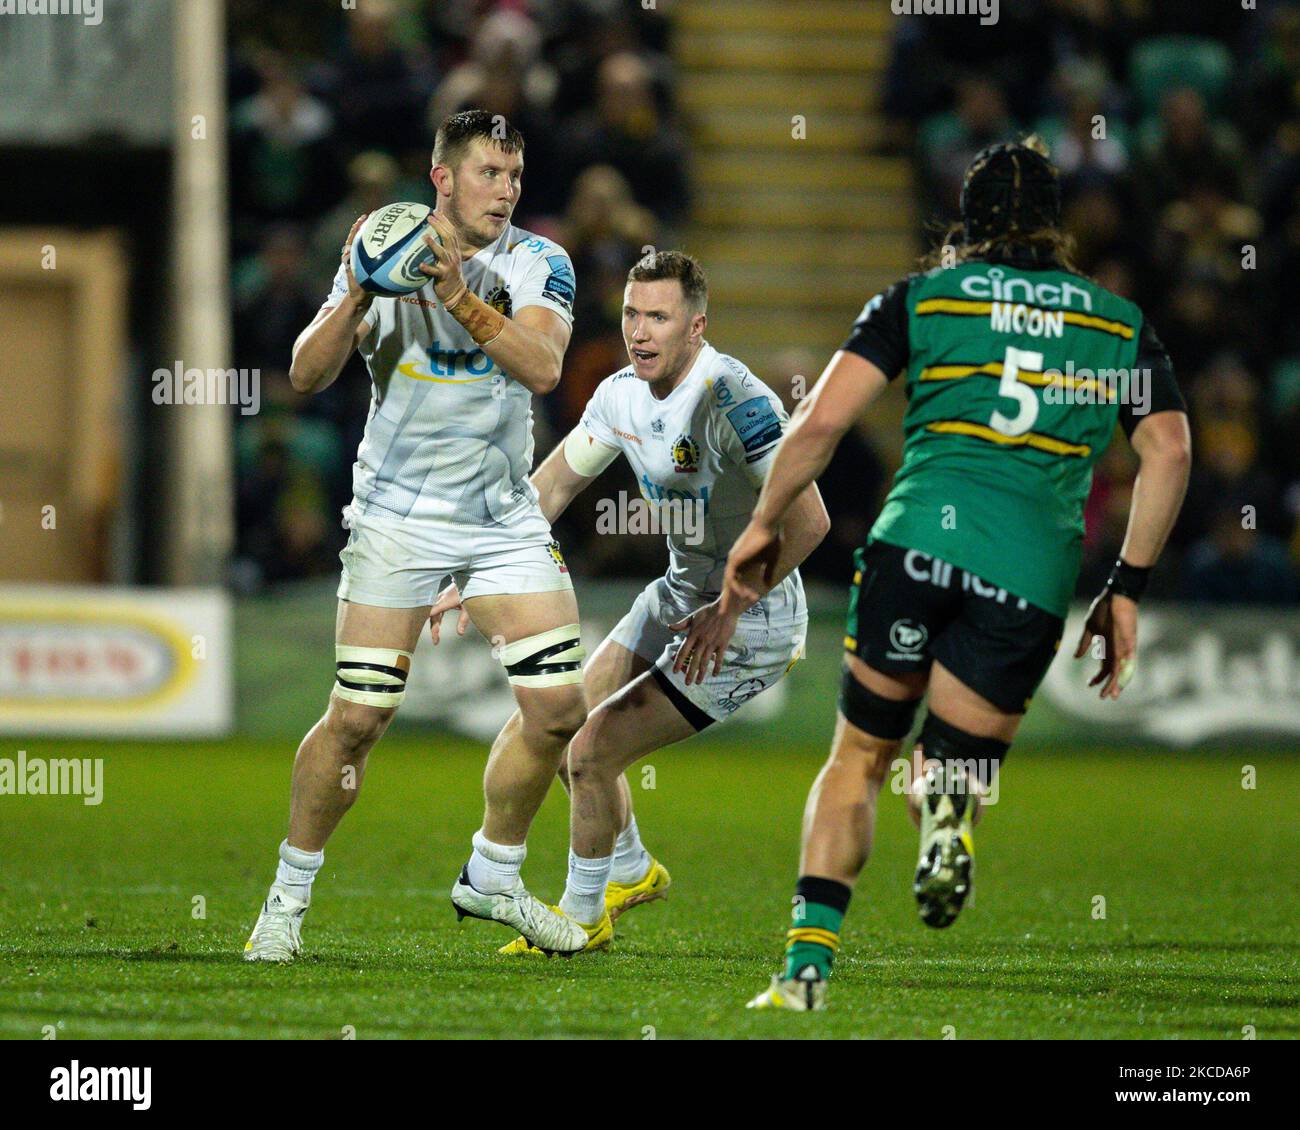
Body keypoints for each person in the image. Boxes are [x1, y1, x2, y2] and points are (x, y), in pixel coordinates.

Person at [723, 138, 1192, 1010]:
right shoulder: (1115, 323)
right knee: (953, 769)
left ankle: (806, 972)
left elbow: (821, 423)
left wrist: (761, 524)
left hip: (915, 548)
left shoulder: (922, 299)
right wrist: (1125, 586)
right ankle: (946, 816)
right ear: (1057, 227)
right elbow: (1168, 447)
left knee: (861, 757)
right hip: (1027, 576)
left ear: (965, 225)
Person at [244, 110, 592, 961]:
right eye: (487, 174)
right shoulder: (382, 244)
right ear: (442, 178)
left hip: (502, 518)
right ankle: (286, 903)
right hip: (397, 518)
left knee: (557, 710)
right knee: (359, 719)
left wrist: (458, 295)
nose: (505, 191)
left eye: (513, 175)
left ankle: (494, 876)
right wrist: (359, 292)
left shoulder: (541, 261)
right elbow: (302, 372)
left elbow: (544, 367)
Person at [428, 251, 829, 952]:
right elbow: (550, 488)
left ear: (696, 326)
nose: (640, 332)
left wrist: (732, 606)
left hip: (753, 620)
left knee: (589, 754)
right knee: (558, 726)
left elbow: (810, 523)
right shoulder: (619, 394)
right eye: (631, 315)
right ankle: (632, 866)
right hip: (677, 594)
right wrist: (479, 569)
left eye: (659, 318)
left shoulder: (735, 401)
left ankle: (582, 920)